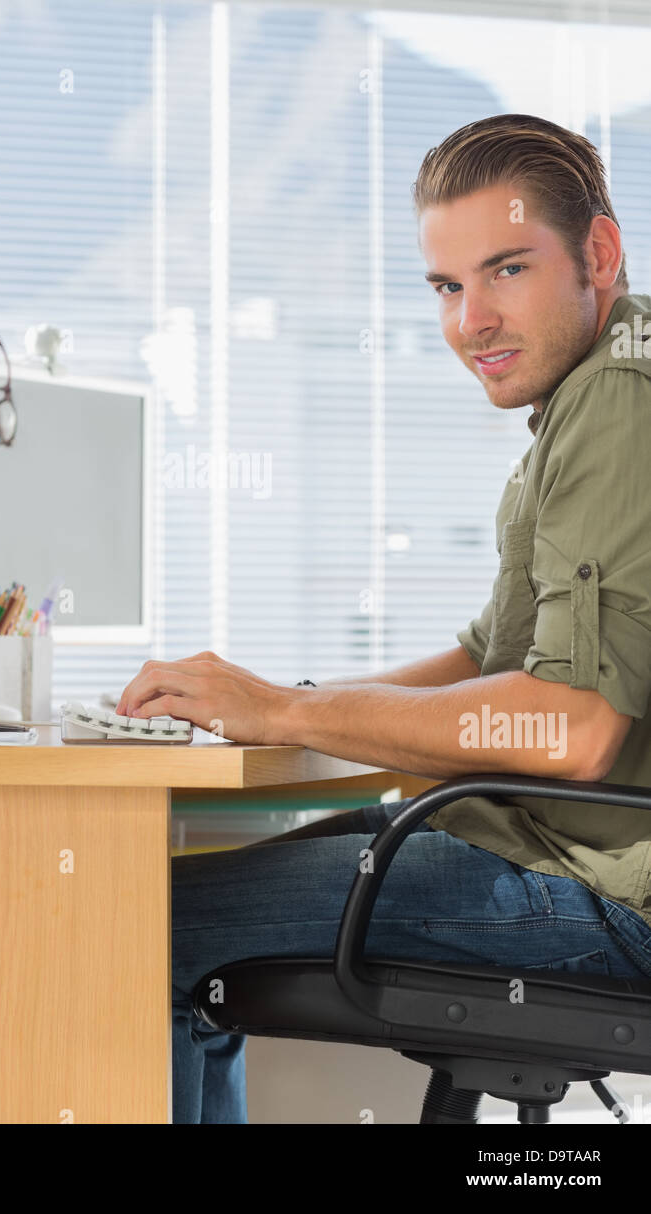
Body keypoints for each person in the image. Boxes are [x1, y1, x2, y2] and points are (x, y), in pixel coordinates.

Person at [118, 113, 651, 1123]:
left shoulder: (618, 400)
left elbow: (570, 727)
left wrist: (282, 713)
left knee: (136, 920)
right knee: (182, 886)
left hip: (605, 891)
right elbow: (480, 657)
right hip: (545, 843)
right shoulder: (590, 389)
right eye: (448, 287)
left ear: (598, 253)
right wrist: (295, 701)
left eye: (504, 271)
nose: (468, 322)